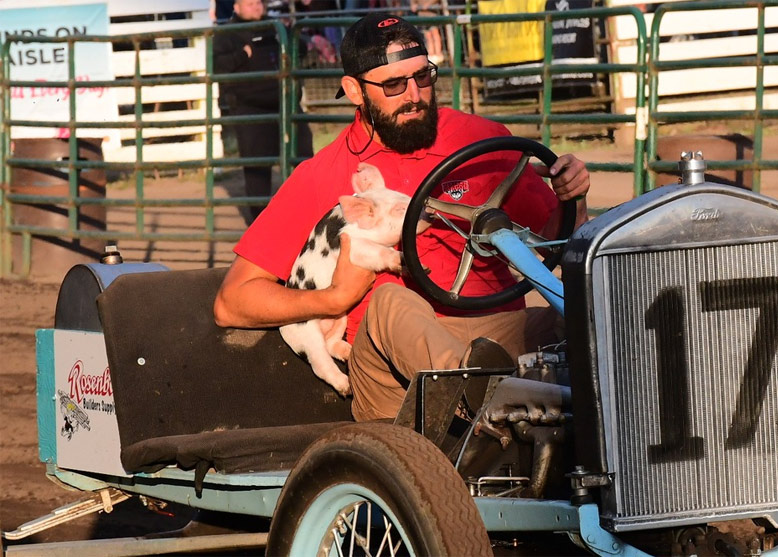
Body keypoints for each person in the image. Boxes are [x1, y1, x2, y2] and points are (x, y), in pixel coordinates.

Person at [213, 13, 591, 421]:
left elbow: (557, 243)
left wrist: (574, 198)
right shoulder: (322, 175)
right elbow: (232, 302)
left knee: (590, 315)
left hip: (495, 331)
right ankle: (478, 393)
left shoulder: (479, 140)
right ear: (354, 90)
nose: (414, 95)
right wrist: (335, 298)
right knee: (393, 300)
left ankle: (505, 395)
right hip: (393, 367)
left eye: (423, 77)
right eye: (393, 84)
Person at [213, 0, 314, 223]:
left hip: (286, 103)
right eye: (249, 3)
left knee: (303, 156)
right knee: (257, 164)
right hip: (251, 106)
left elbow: (301, 48)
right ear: (236, 7)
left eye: (258, 2)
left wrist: (291, 44)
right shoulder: (227, 33)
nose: (255, 7)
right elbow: (218, 67)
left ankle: (309, 212)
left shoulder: (275, 27)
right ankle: (261, 222)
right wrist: (242, 55)